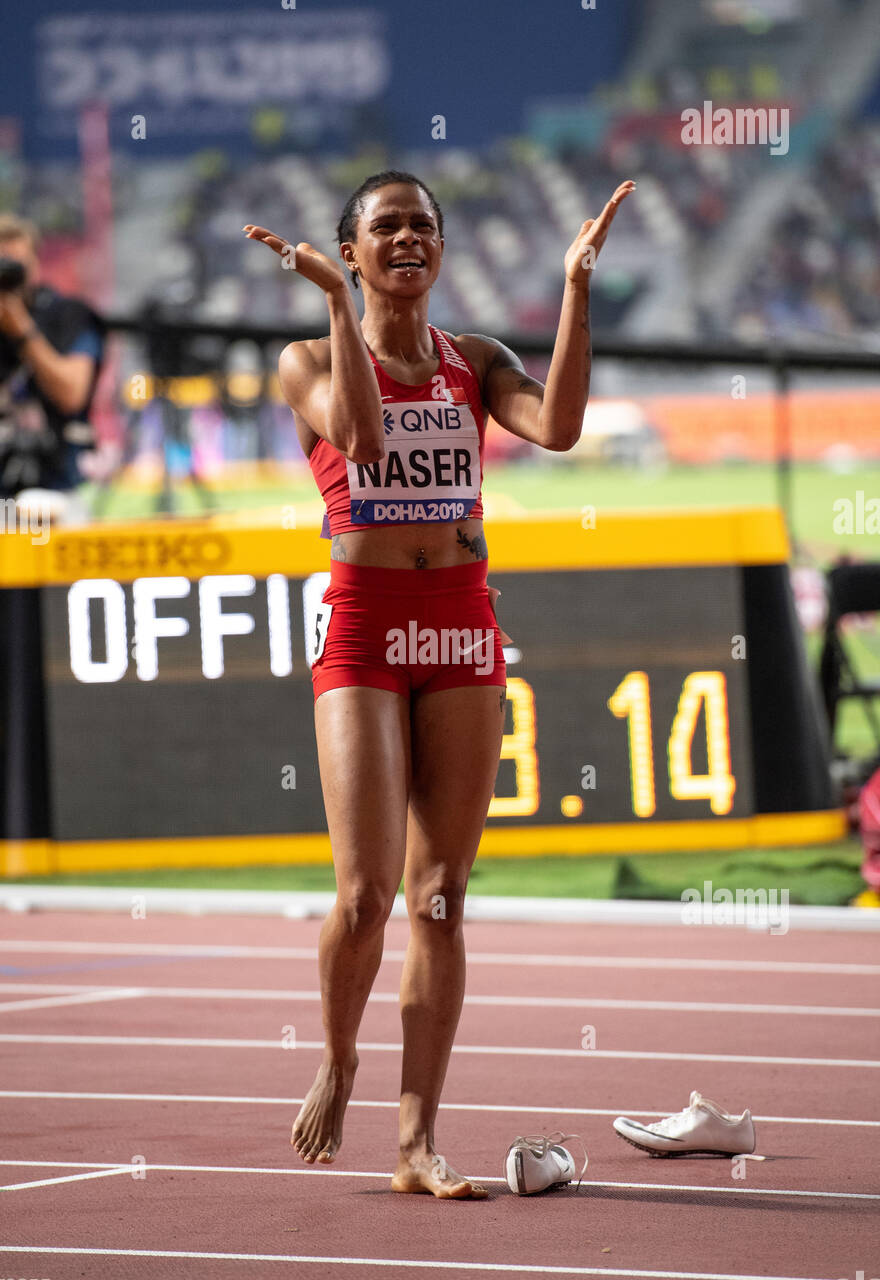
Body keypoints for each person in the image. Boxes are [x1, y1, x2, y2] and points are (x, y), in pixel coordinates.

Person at [243, 168, 634, 1198]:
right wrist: (335, 304)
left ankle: (417, 1143)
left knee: (441, 898)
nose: (410, 236)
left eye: (424, 223)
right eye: (387, 226)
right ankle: (338, 1054)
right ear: (354, 250)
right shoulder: (304, 360)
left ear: (441, 249)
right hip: (365, 628)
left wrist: (575, 291)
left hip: (460, 618)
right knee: (367, 896)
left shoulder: (476, 359)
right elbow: (363, 439)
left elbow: (556, 426)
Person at [0, 214, 105, 510]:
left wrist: (19, 327)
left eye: (14, 266)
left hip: (60, 483)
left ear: (35, 265)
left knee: (37, 508)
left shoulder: (69, 315)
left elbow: (71, 394)